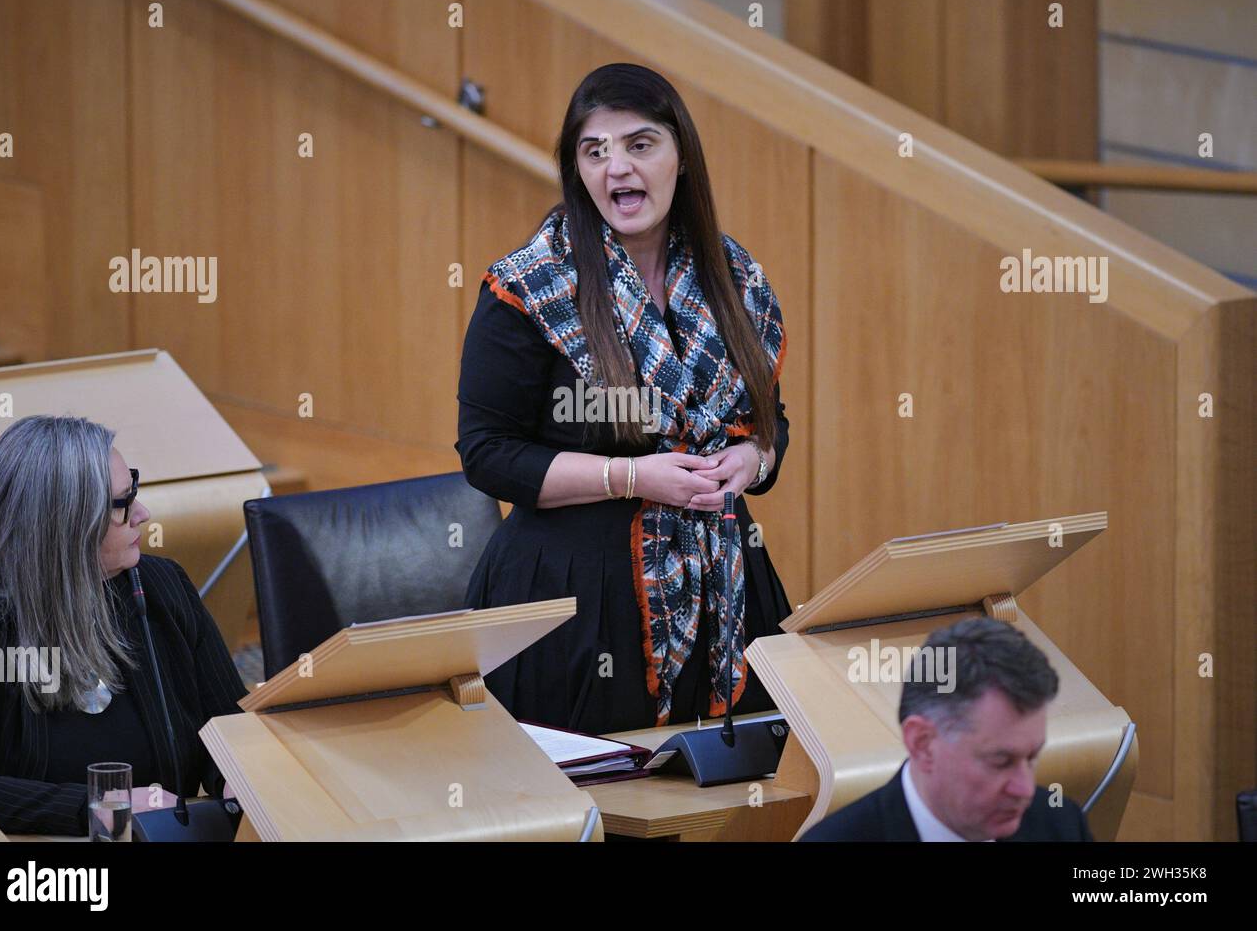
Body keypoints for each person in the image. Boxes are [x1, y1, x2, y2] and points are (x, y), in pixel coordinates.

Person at [456, 63, 793, 735]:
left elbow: (769, 420)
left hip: (725, 580)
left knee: (736, 797)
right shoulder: (528, 287)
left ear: (681, 157)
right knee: (601, 814)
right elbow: (489, 455)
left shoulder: (734, 276)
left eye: (639, 144)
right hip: (575, 597)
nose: (617, 168)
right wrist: (633, 476)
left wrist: (752, 460)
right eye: (595, 151)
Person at [0, 415, 247, 836]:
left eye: (135, 493)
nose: (142, 514)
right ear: (64, 522)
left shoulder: (161, 585)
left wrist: (240, 785)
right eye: (121, 503)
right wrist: (102, 809)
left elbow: (229, 732)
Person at [800, 617, 1094, 841]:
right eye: (1001, 761)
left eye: (1031, 758)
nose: (1025, 788)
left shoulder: (1061, 826)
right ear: (923, 743)